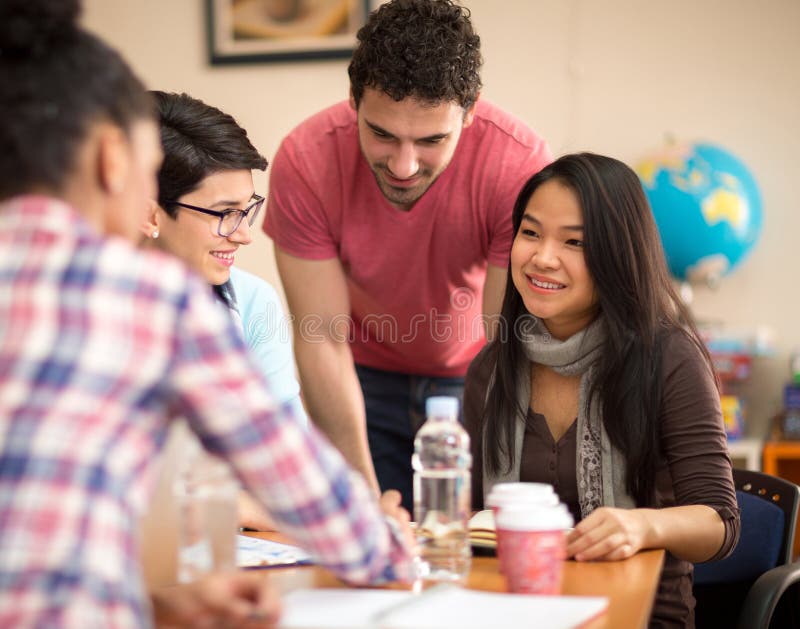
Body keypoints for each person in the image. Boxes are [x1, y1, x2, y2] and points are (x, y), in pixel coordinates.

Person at [0, 2, 412, 627]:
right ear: (117, 165)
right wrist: (387, 553)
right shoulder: (150, 298)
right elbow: (299, 484)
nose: (242, 234)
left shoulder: (241, 301)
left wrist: (155, 598)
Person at [265, 0, 552, 509]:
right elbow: (322, 339)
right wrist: (362, 500)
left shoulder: (518, 164)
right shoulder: (305, 160)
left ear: (471, 109)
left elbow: (502, 339)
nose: (403, 165)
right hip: (359, 376)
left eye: (431, 140)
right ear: (353, 100)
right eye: (381, 134)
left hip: (475, 371)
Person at [462, 152, 741, 627]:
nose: (542, 257)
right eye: (530, 233)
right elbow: (469, 521)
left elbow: (720, 524)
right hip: (512, 611)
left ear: (618, 255)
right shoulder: (493, 367)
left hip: (639, 615)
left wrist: (642, 525)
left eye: (575, 242)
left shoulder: (669, 358)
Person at [140, 90, 304, 530]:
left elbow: (290, 470)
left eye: (246, 209)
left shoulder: (251, 303)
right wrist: (238, 506)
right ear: (149, 214)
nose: (244, 235)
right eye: (223, 214)